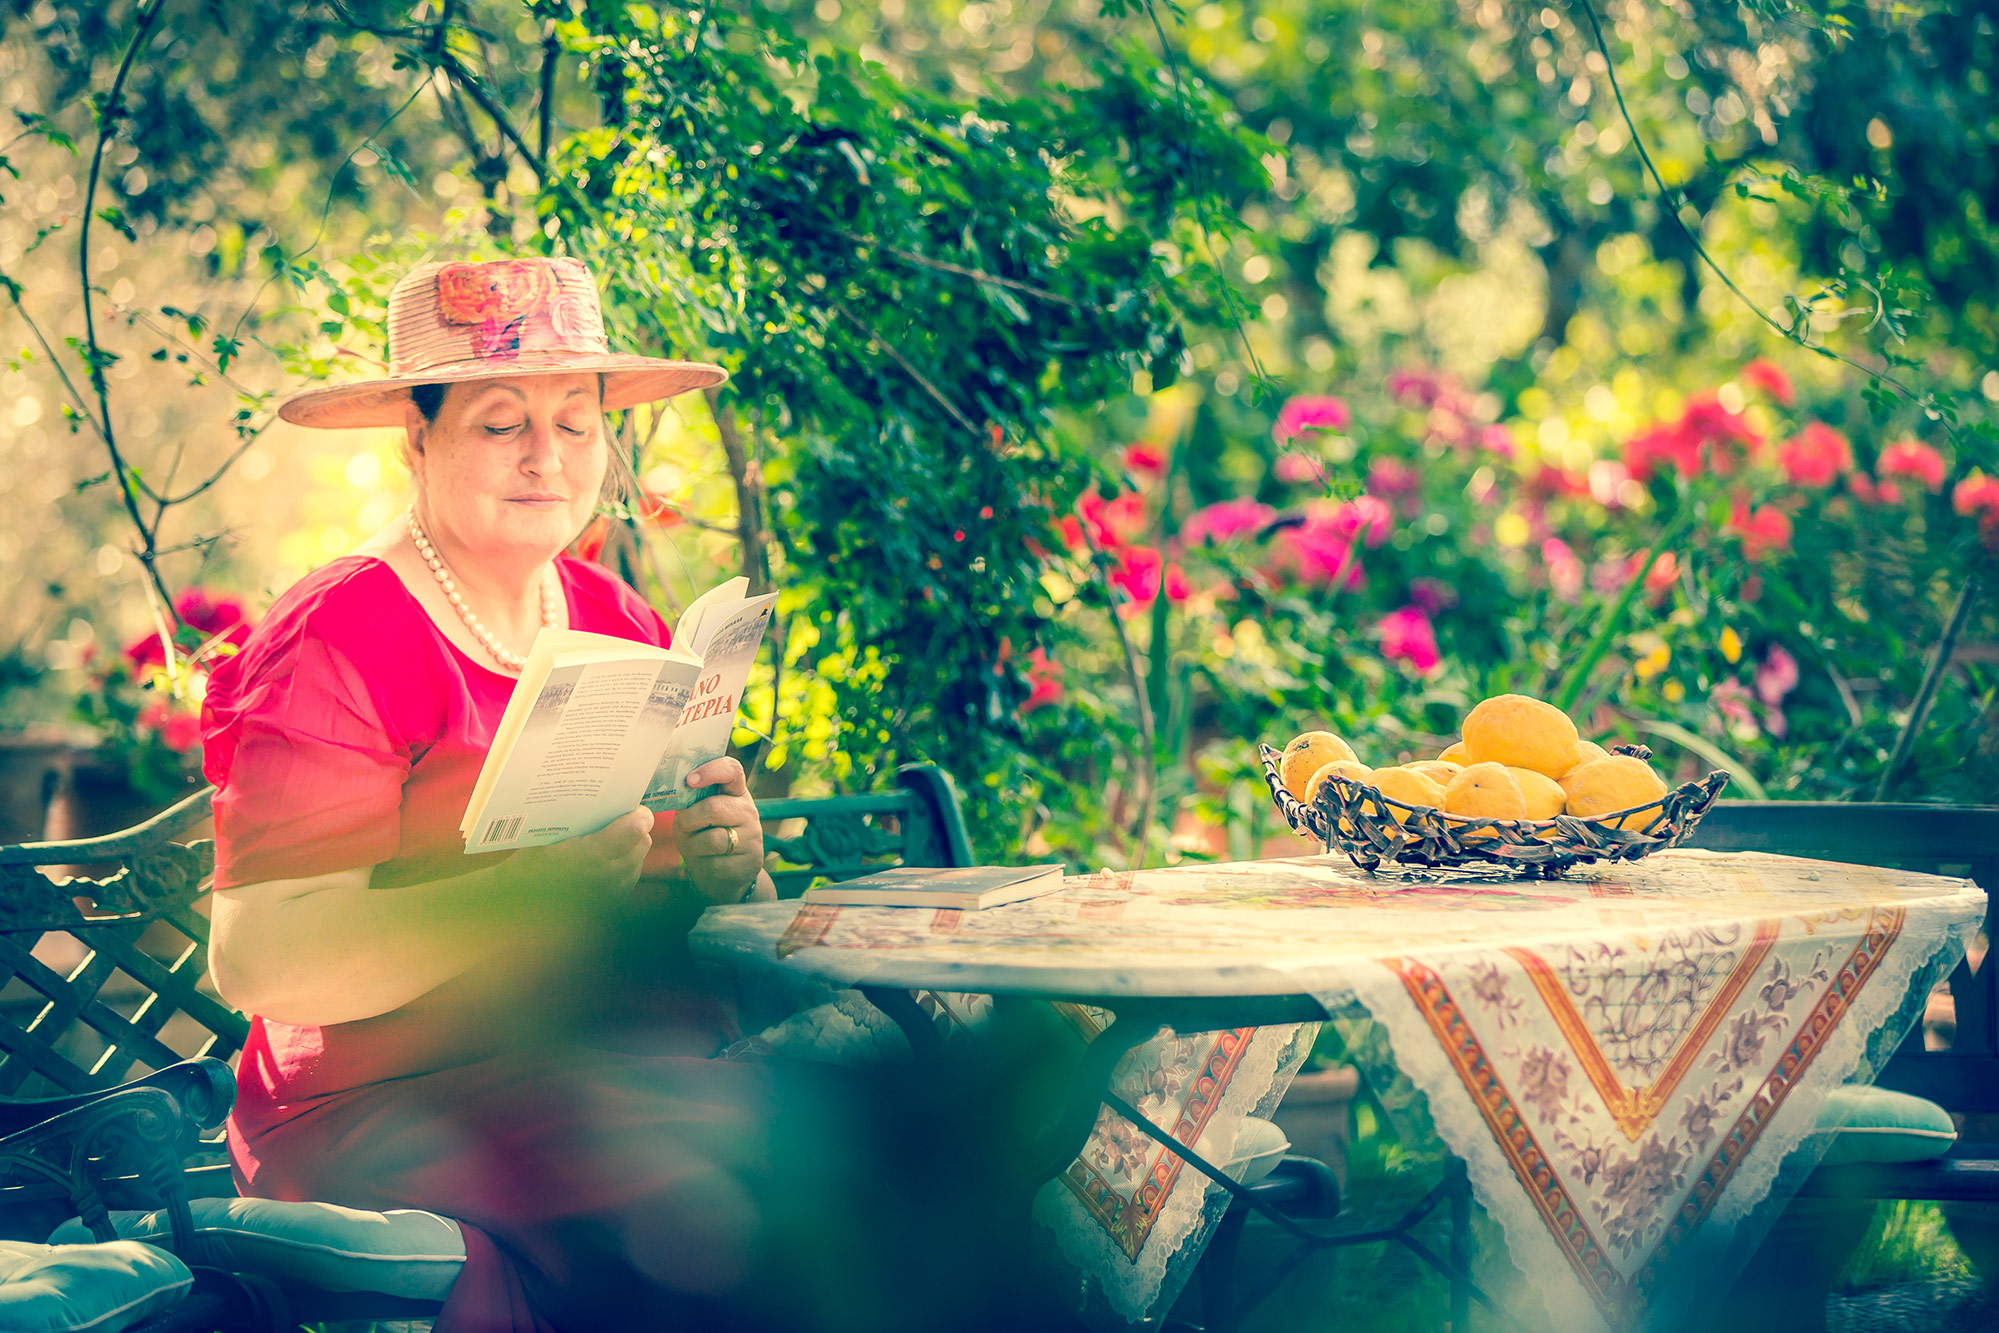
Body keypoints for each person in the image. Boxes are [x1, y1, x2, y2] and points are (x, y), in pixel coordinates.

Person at [201, 258, 1055, 1332]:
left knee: (918, 1142)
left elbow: (681, 912)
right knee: (753, 1185)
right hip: (394, 1102)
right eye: (500, 423)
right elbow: (262, 959)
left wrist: (722, 861)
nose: (546, 458)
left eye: (575, 421)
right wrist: (522, 889)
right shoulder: (336, 633)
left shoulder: (613, 613)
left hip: (605, 1065)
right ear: (415, 440)